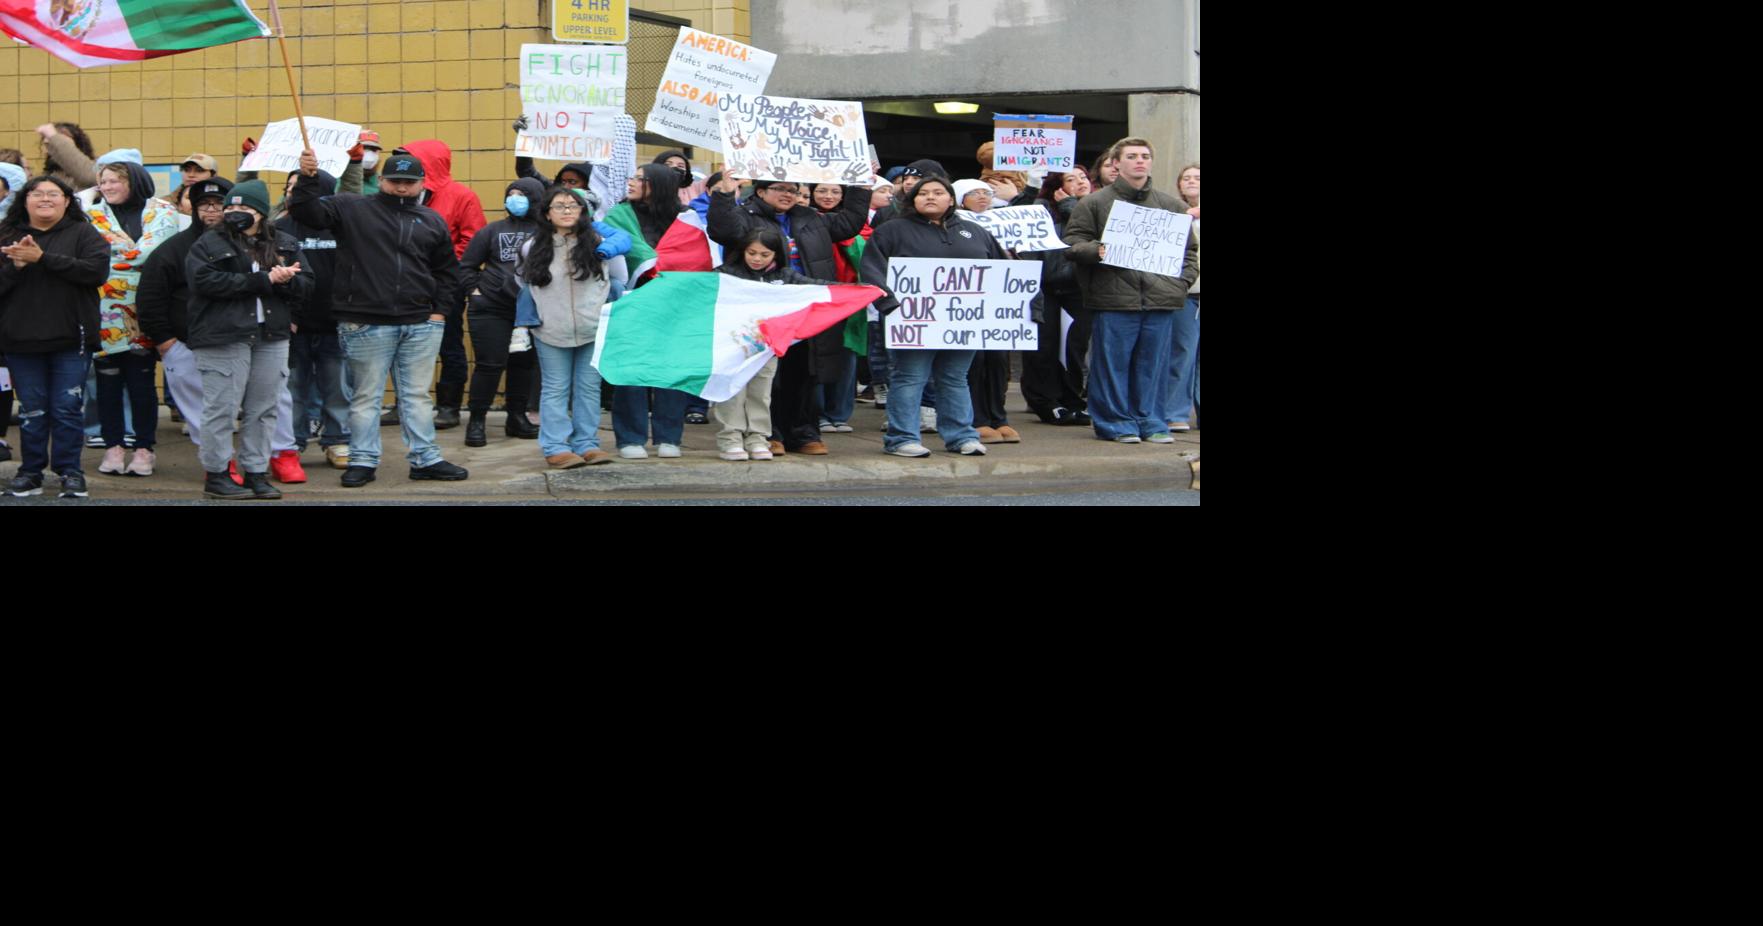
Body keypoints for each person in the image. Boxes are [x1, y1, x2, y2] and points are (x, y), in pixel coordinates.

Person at [288, 147, 470, 487]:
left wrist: (439, 313)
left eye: (409, 182)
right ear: (382, 180)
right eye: (395, 181)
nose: (402, 188)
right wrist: (309, 179)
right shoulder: (351, 207)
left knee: (416, 397)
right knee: (365, 398)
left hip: (420, 323)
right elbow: (306, 212)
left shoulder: (431, 220)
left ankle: (425, 459)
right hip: (364, 322)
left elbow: (447, 272)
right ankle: (363, 460)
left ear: (421, 184)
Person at [708, 171, 870, 456]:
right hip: (759, 308)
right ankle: (769, 433)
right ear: (759, 192)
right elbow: (722, 230)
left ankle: (804, 431)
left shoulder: (809, 217)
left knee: (805, 370)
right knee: (768, 375)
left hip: (804, 304)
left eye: (793, 190)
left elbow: (850, 223)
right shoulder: (744, 215)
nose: (788, 194)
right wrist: (724, 193)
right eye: (780, 188)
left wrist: (860, 184)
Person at [1061, 138, 1199, 444]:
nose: (1140, 161)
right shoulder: (1094, 203)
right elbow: (1072, 245)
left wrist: (1182, 282)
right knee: (1113, 365)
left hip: (1161, 299)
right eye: (1132, 156)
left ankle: (1151, 421)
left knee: (1153, 365)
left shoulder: (1171, 205)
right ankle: (1115, 423)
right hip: (1113, 300)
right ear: (1116, 164)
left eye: (1145, 156)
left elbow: (1189, 252)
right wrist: (1097, 250)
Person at [859, 174, 1003, 458]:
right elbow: (872, 268)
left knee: (955, 378)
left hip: (963, 322)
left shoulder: (976, 232)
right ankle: (901, 438)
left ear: (951, 199)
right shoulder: (892, 231)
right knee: (910, 377)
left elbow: (1003, 272)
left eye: (938, 192)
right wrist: (890, 304)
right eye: (923, 193)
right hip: (912, 321)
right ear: (912, 199)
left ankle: (961, 436)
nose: (930, 197)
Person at [185, 180, 312, 500]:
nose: (234, 213)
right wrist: (263, 279)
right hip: (224, 335)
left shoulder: (284, 242)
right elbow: (205, 282)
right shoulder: (207, 243)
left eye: (244, 208)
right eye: (230, 208)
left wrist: (285, 281)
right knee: (222, 408)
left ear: (261, 213)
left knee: (264, 407)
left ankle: (256, 472)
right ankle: (217, 473)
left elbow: (308, 284)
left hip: (271, 335)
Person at [0, 175, 110, 498]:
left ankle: (70, 472)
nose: (45, 199)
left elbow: (95, 272)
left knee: (66, 407)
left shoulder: (83, 233)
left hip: (70, 339)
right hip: (20, 339)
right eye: (37, 194)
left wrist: (43, 259)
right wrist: (15, 267)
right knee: (32, 409)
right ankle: (31, 472)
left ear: (66, 201)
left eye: (53, 194)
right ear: (25, 200)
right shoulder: (7, 235)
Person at [82, 160, 179, 477]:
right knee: (107, 384)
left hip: (146, 310)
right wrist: (130, 253)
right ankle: (113, 447)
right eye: (103, 182)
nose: (107, 187)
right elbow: (95, 255)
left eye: (114, 181)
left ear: (134, 182)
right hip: (103, 313)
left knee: (141, 382)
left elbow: (154, 252)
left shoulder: (161, 211)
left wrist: (122, 252)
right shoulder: (93, 214)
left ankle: (143, 449)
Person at [713, 226, 841, 461]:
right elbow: (698, 290)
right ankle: (730, 438)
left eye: (764, 254)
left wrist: (861, 290)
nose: (757, 259)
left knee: (761, 394)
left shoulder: (786, 276)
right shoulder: (725, 274)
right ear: (742, 251)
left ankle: (758, 438)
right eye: (752, 253)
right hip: (731, 348)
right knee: (733, 393)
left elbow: (819, 287)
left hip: (767, 349)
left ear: (776, 255)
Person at [520, 186, 622, 469]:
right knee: (555, 388)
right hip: (551, 329)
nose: (566, 211)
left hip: (592, 329)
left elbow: (619, 278)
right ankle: (555, 447)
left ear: (583, 212)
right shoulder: (532, 246)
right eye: (559, 206)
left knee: (589, 388)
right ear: (547, 213)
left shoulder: (601, 242)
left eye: (573, 206)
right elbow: (523, 283)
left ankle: (587, 444)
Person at [136, 177, 233, 459]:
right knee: (200, 414)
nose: (211, 211)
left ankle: (258, 461)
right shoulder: (172, 249)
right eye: (204, 205)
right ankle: (217, 464)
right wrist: (165, 341)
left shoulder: (248, 245)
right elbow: (150, 297)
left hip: (239, 343)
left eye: (218, 204)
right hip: (185, 345)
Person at [607, 163, 692, 459]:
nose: (631, 182)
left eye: (639, 179)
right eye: (632, 176)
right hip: (634, 299)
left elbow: (694, 255)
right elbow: (627, 252)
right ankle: (630, 438)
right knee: (631, 369)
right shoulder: (618, 214)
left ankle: (669, 437)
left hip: (676, 303)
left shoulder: (687, 219)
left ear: (658, 185)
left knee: (672, 370)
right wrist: (657, 265)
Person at [1020, 168, 1094, 426]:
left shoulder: (1095, 207)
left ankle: (1074, 400)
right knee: (1045, 348)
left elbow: (1096, 236)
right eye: (1071, 179)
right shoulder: (1041, 207)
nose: (1080, 182)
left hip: (1079, 289)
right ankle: (1047, 402)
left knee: (1075, 348)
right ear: (1056, 186)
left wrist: (1071, 206)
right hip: (1046, 287)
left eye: (1083, 177)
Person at [806, 181, 872, 434]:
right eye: (822, 190)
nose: (828, 196)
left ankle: (839, 414)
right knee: (818, 357)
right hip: (818, 297)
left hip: (848, 299)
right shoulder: (805, 221)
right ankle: (819, 413)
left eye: (835, 191)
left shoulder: (857, 226)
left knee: (847, 357)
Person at [1165, 162, 1200, 432]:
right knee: (1182, 352)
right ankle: (1175, 412)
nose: (1191, 181)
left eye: (1197, 177)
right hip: (1187, 293)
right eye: (1186, 177)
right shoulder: (1170, 212)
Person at [36, 123, 98, 191]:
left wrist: (54, 136)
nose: (54, 146)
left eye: (62, 141)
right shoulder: (49, 175)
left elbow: (87, 175)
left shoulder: (96, 167)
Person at [168, 153, 218, 217]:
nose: (191, 175)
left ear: (213, 175)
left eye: (199, 170)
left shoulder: (228, 201)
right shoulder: (164, 204)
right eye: (186, 170)